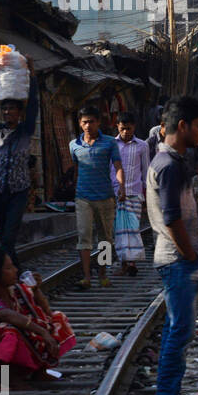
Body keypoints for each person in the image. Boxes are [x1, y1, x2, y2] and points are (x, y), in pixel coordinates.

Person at [146, 96, 198, 395]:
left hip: (179, 259)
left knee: (181, 331)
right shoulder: (169, 166)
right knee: (178, 329)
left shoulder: (170, 161)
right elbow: (172, 218)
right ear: (182, 126)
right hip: (176, 260)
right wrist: (189, 255)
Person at [0, 56, 38, 271]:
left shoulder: (25, 130)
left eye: (12, 110)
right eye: (4, 110)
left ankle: (16, 275)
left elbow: (33, 104)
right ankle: (14, 276)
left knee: (8, 239)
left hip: (18, 191)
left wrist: (32, 74)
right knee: (2, 237)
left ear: (19, 113)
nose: (7, 113)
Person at [0, 251, 75, 377]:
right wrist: (42, 332)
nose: (15, 270)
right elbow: (6, 315)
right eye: (9, 268)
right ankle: (11, 377)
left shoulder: (17, 290)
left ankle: (40, 370)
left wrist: (36, 290)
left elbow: (46, 312)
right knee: (9, 332)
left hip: (27, 335)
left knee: (57, 318)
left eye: (13, 266)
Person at [69, 106, 124, 290]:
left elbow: (117, 166)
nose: (88, 125)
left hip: (105, 197)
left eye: (91, 121)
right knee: (84, 237)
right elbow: (77, 170)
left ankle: (102, 275)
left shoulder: (109, 143)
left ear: (98, 122)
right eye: (84, 122)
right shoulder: (74, 145)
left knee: (106, 239)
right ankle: (86, 277)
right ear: (79, 123)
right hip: (83, 197)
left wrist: (121, 186)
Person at [114, 113, 150, 277]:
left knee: (131, 229)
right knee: (113, 231)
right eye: (122, 129)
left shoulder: (142, 146)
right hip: (113, 193)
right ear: (117, 127)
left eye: (128, 128)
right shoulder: (111, 145)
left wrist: (147, 196)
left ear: (134, 127)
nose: (126, 132)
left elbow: (146, 171)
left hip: (134, 193)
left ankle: (131, 263)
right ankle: (107, 266)